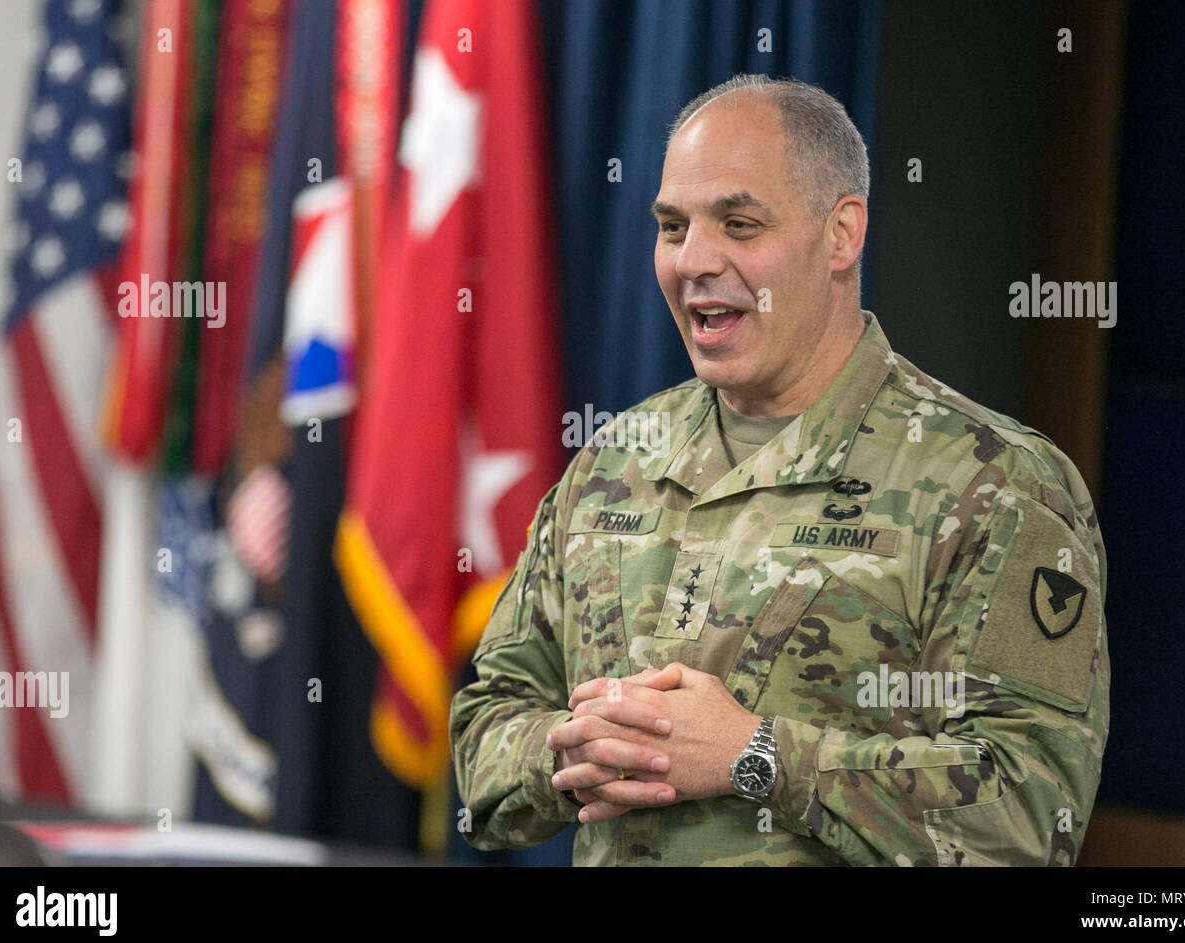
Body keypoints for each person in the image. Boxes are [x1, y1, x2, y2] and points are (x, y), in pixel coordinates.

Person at [450, 74, 1109, 866]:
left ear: (841, 234)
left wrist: (757, 756)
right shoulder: (611, 460)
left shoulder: (996, 485)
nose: (694, 260)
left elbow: (1034, 818)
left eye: (739, 222)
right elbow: (485, 733)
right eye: (671, 227)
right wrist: (570, 752)